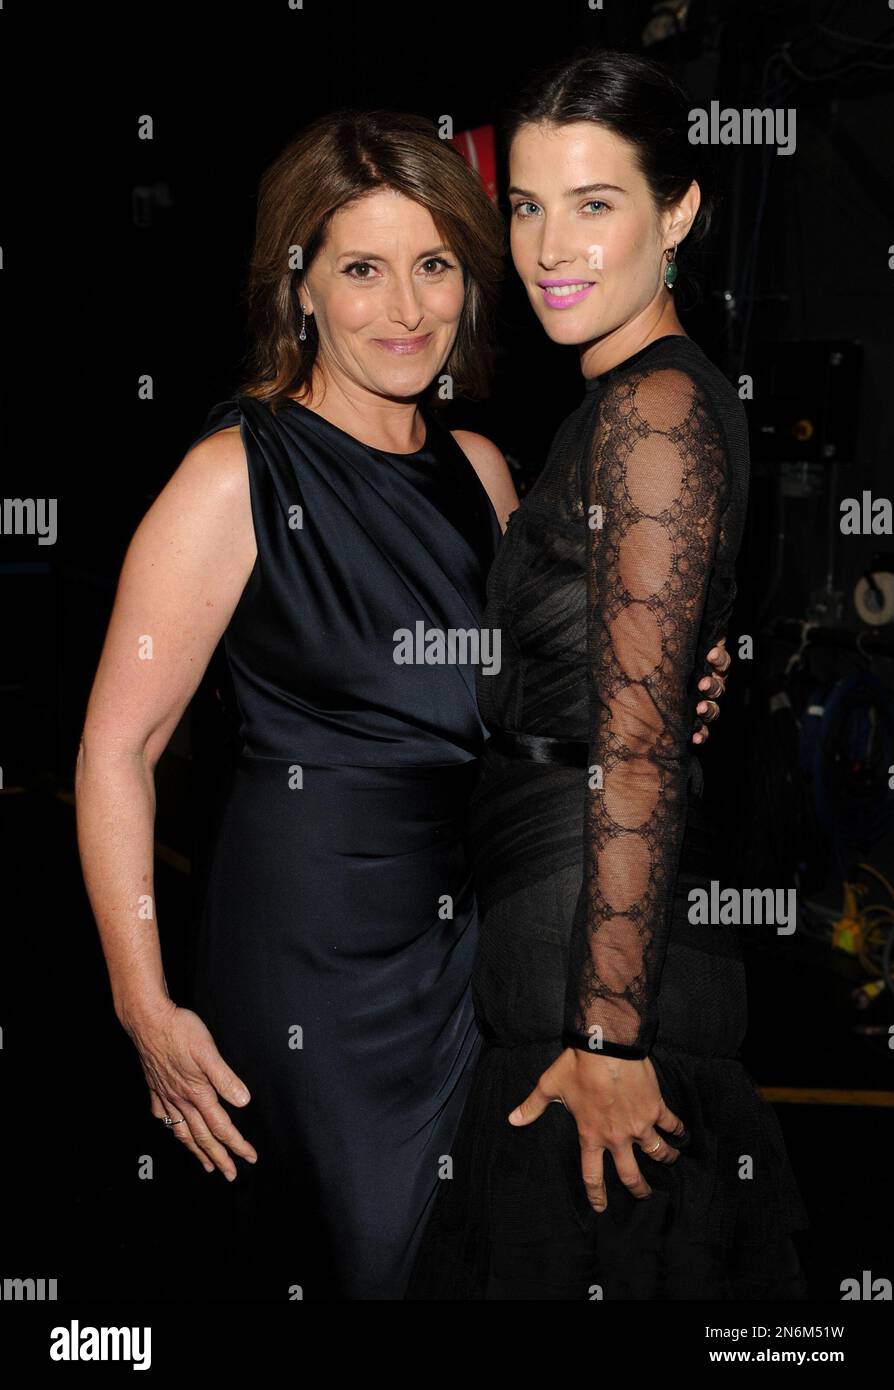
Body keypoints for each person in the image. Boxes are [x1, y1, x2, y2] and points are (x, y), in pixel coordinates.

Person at [75, 107, 728, 1302]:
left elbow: (550, 677)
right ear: (302, 287)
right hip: (302, 961)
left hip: (461, 955)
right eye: (363, 270)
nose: (407, 309)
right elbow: (119, 747)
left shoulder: (482, 472)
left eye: (434, 266)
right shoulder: (237, 473)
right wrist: (143, 1002)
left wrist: (676, 677)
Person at [407, 52, 809, 1301]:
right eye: (527, 205)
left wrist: (604, 1035)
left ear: (678, 211)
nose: (548, 246)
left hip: (602, 978)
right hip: (560, 938)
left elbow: (636, 750)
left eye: (596, 202)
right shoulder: (625, 405)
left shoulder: (654, 414)